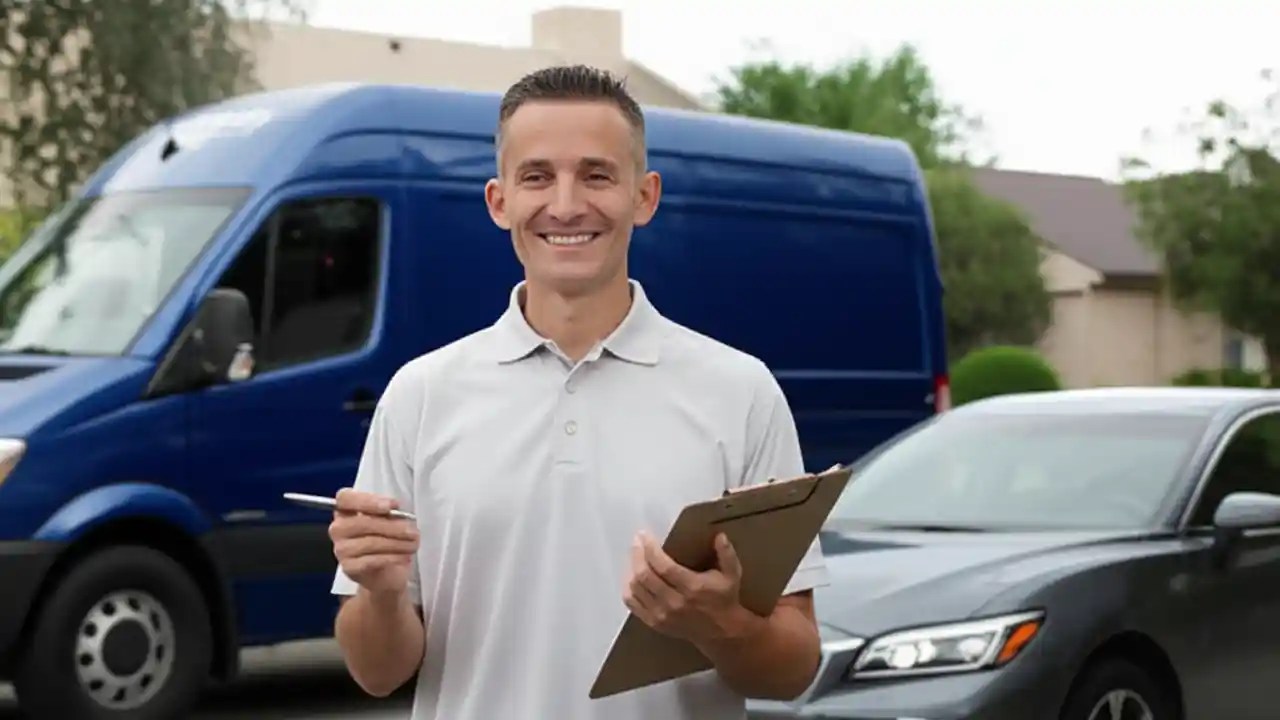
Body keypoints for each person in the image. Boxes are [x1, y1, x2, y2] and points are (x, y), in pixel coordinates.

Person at [327, 64, 829, 720]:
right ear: (498, 199)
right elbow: (375, 672)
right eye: (537, 176)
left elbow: (793, 668)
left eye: (596, 175)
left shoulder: (739, 392)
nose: (566, 204)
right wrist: (385, 596)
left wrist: (721, 621)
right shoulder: (421, 395)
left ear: (644, 197)